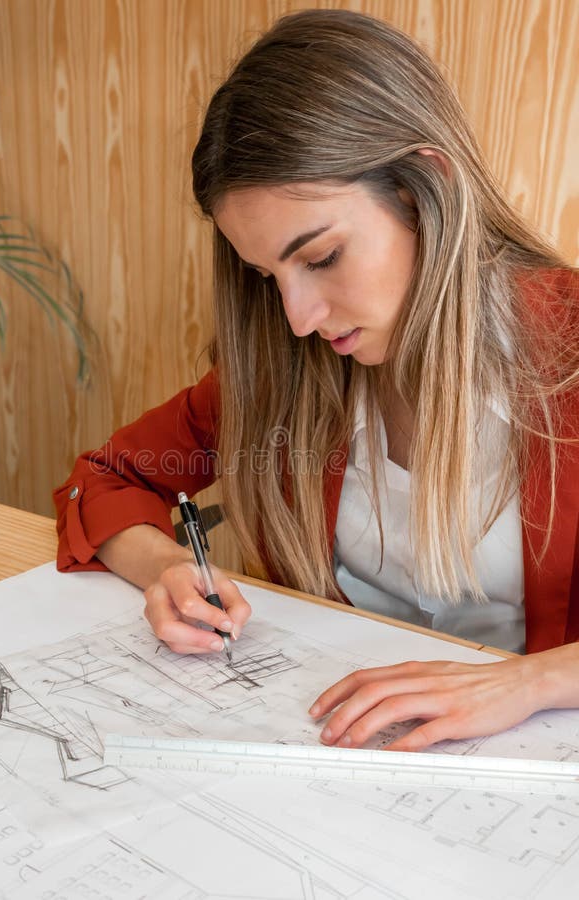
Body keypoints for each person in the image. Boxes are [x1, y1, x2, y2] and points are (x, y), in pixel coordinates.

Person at [54, 9, 579, 752]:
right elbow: (108, 479)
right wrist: (168, 568)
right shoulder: (287, 370)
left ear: (424, 187)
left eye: (323, 256)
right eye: (268, 276)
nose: (298, 318)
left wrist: (532, 682)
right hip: (329, 753)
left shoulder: (571, 348)